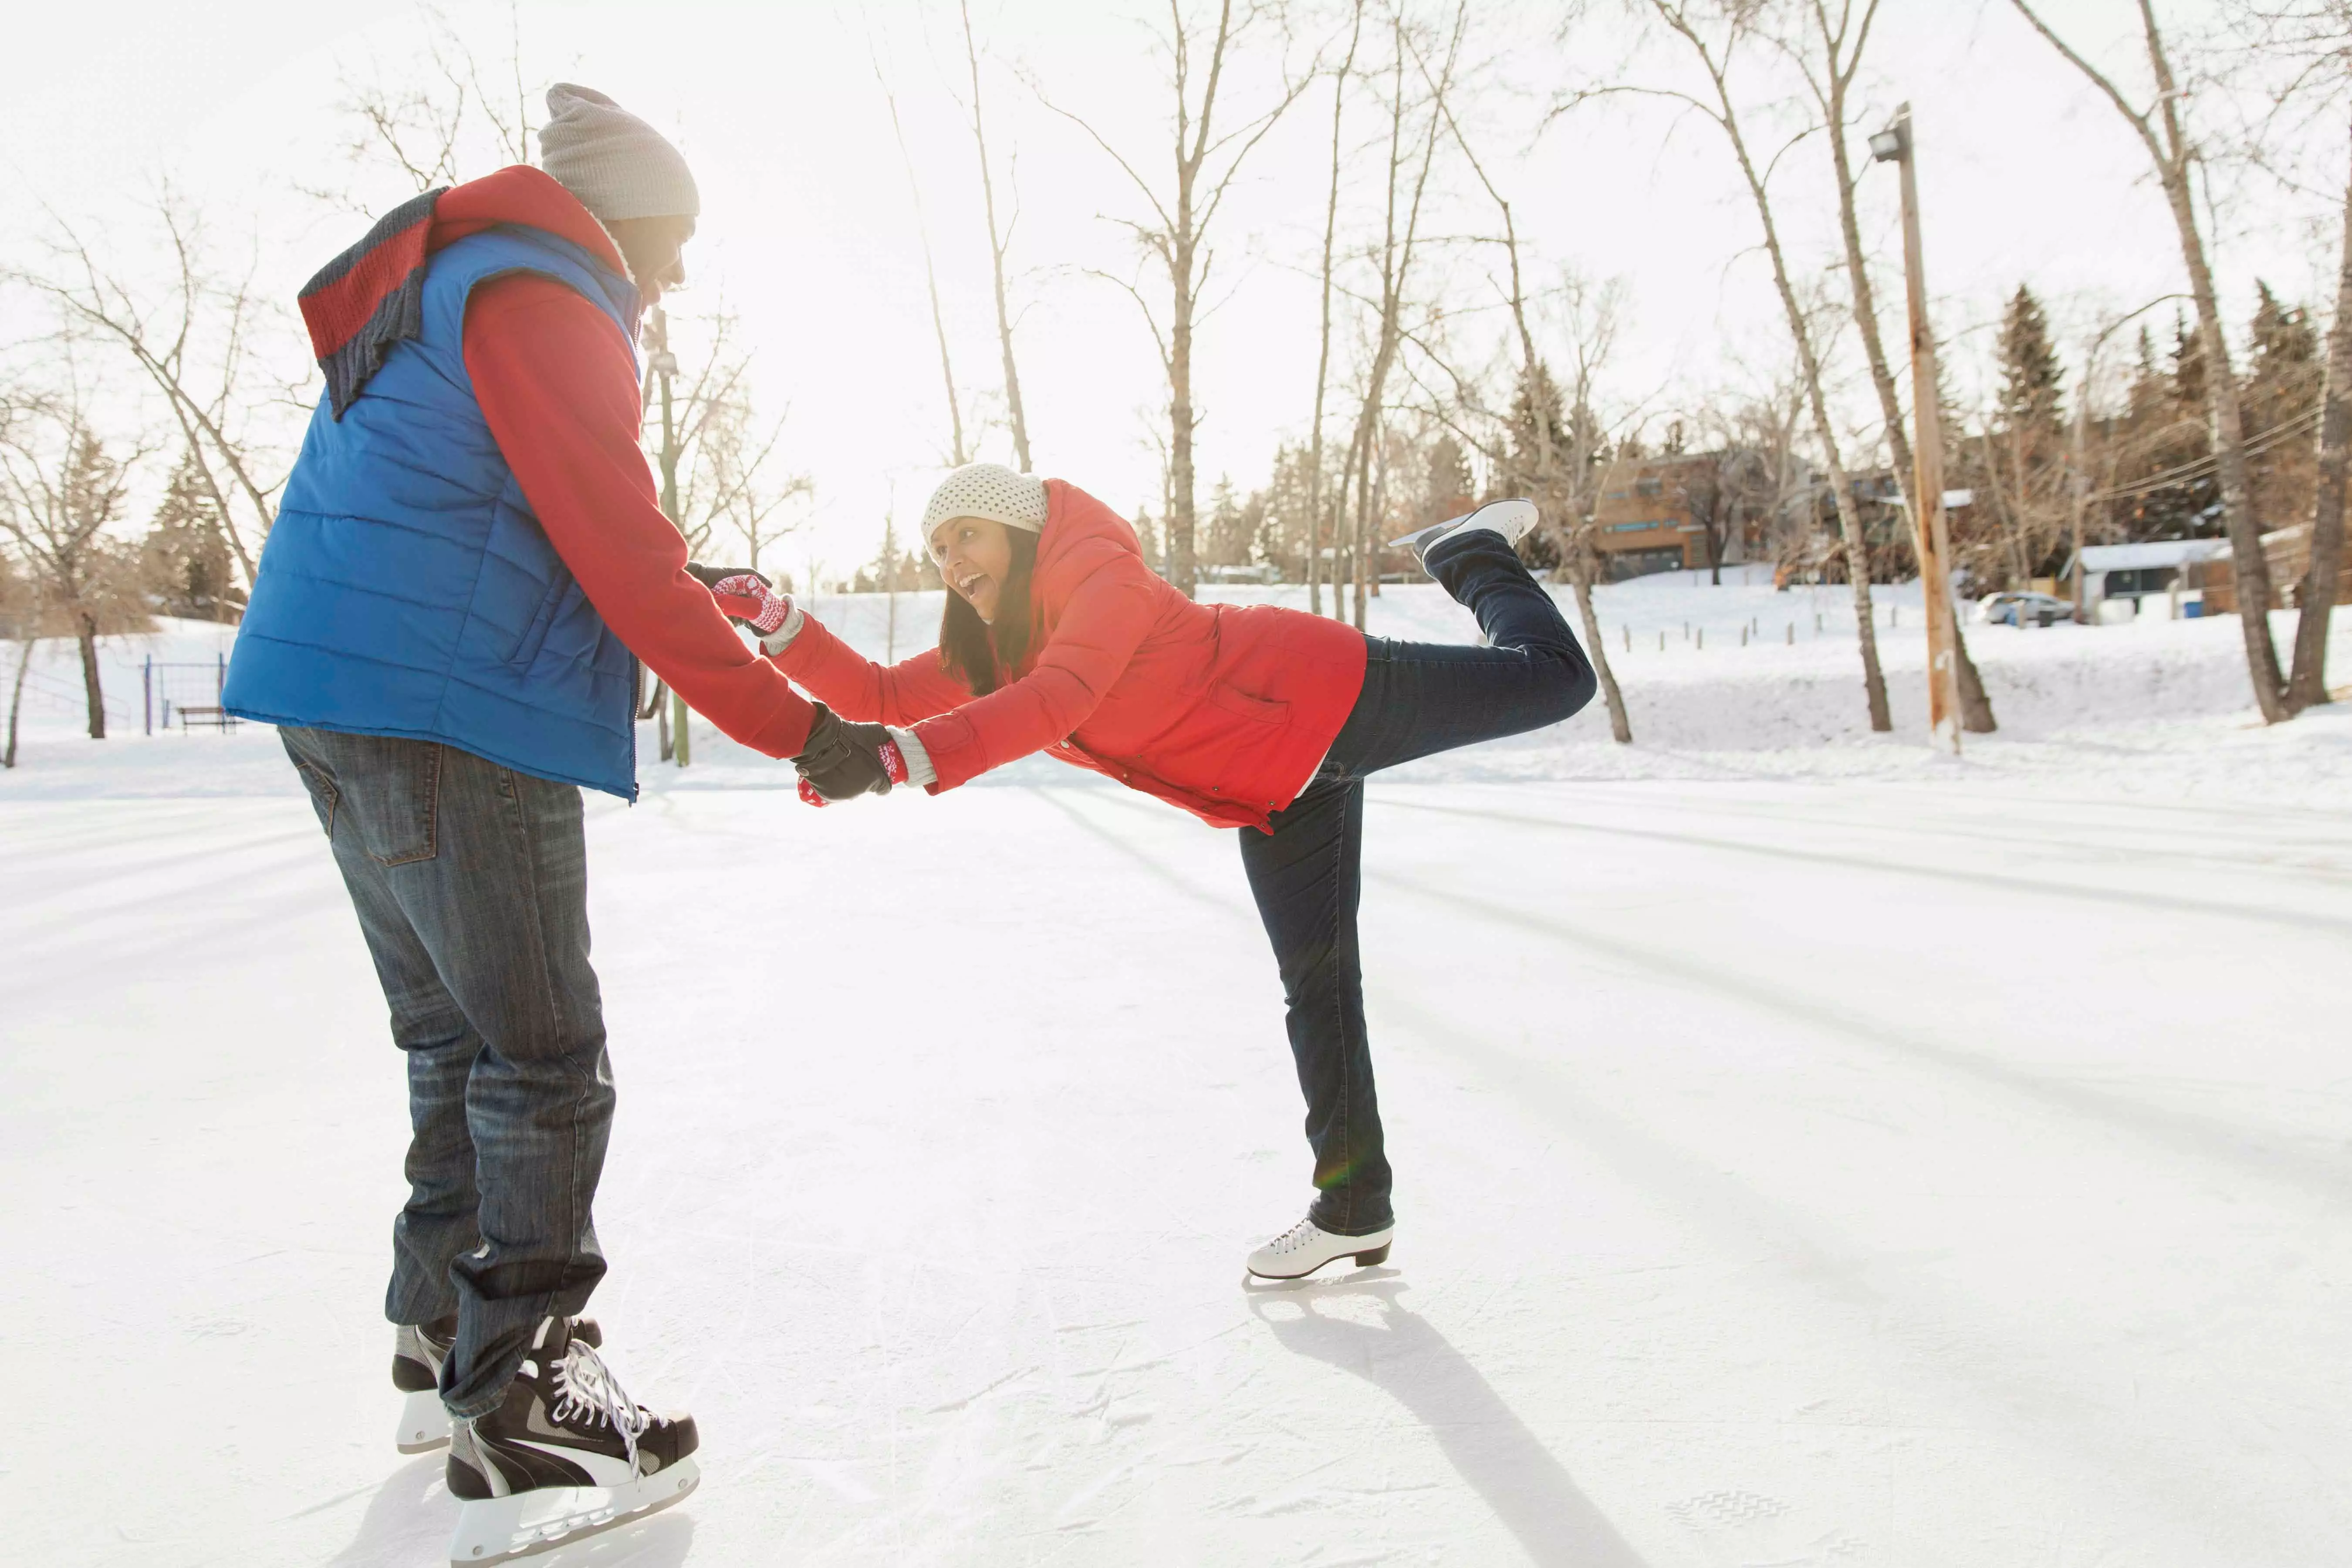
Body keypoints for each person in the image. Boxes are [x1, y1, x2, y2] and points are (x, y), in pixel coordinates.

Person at [221, 84, 894, 1561]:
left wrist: (674, 579)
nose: (678, 276)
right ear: (632, 221)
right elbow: (612, 551)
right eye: (676, 242)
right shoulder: (546, 294)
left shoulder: (461, 279)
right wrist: (802, 724)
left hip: (335, 686)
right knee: (544, 1055)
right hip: (442, 709)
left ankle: (435, 1341)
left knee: (457, 1036)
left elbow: (533, 519)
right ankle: (523, 1401)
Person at [694, 464, 1596, 1281]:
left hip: (1321, 691)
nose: (950, 560)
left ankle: (1469, 550)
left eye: (964, 533)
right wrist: (775, 620)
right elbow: (883, 696)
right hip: (1274, 790)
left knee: (1552, 680)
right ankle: (1354, 1208)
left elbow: (1060, 701)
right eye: (936, 549)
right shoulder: (1001, 649)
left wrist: (897, 763)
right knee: (1317, 990)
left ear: (1013, 529)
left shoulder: (1102, 581)